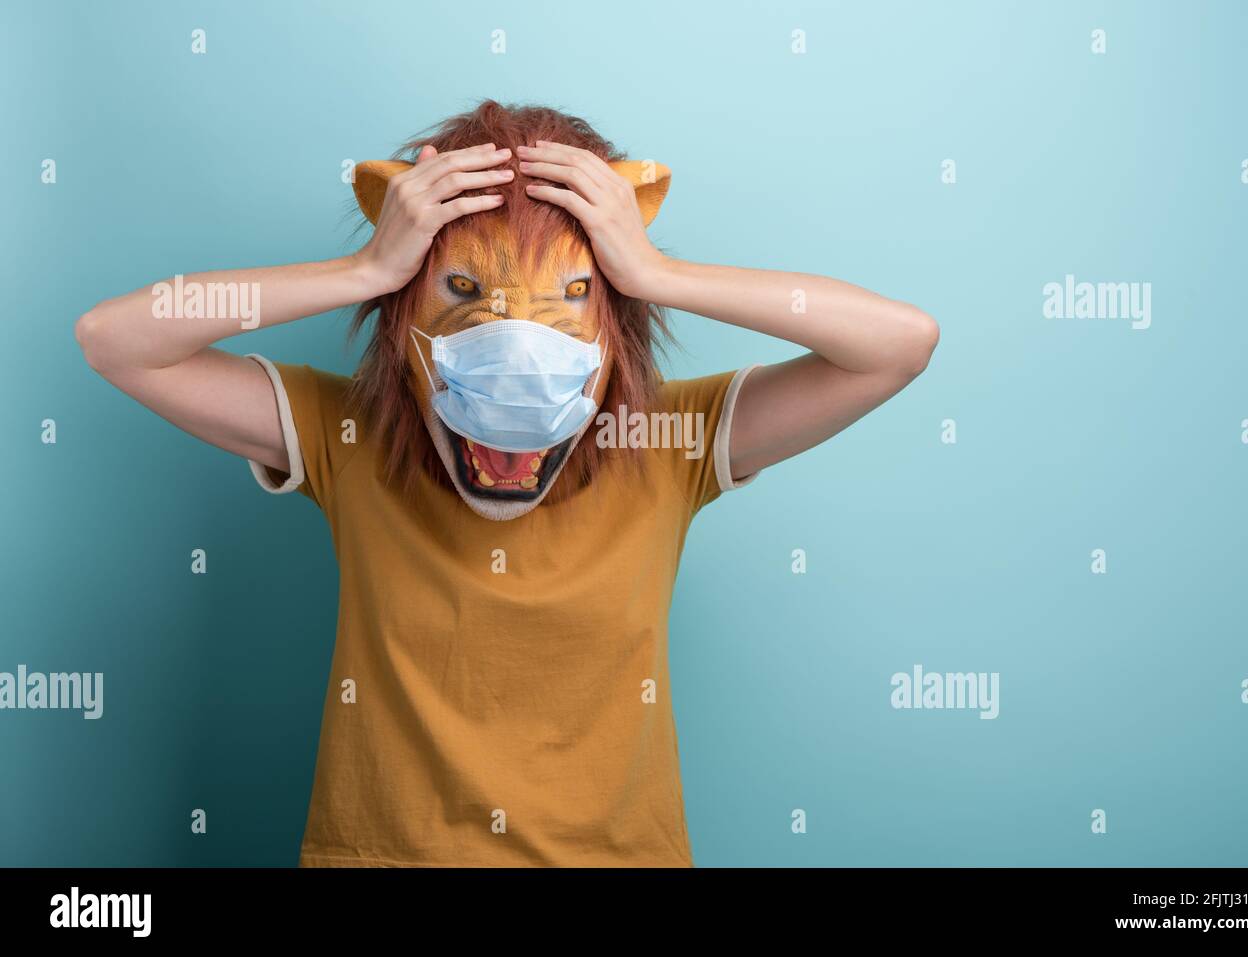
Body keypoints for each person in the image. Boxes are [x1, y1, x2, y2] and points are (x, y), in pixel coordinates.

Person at [75, 100, 938, 867]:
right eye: (463, 289)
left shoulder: (666, 442)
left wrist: (657, 273)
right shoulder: (349, 437)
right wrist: (366, 271)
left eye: (571, 293)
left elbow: (900, 343)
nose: (518, 347)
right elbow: (116, 339)